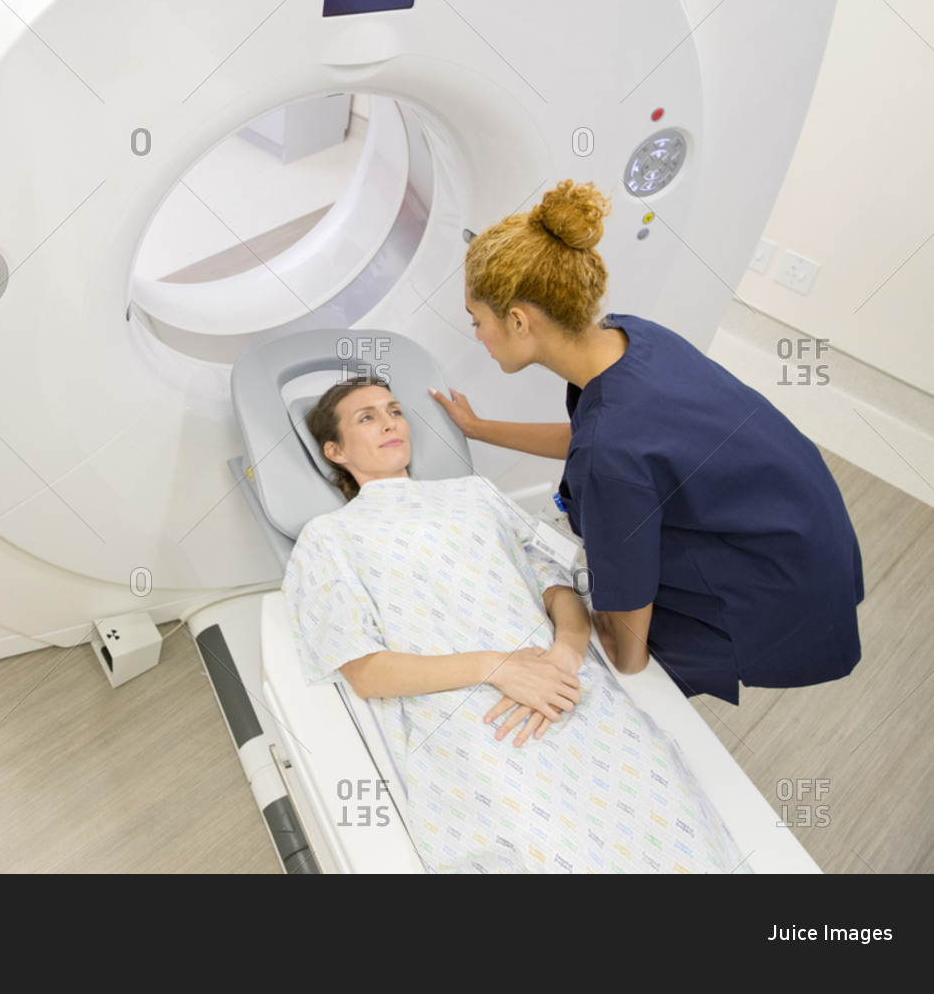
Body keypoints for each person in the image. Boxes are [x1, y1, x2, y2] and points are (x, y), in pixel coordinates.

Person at [282, 376, 745, 872]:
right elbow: (366, 672)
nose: (390, 422)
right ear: (334, 450)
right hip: (470, 712)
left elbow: (554, 583)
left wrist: (568, 649)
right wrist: (498, 667)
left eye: (394, 410)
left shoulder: (475, 494)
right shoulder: (329, 537)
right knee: (543, 842)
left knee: (664, 803)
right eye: (367, 417)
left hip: (563, 683)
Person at [432, 179, 863, 704]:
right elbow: (603, 438)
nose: (477, 335)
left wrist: (588, 632)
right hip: (808, 521)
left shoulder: (611, 452)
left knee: (620, 672)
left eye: (478, 322)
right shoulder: (630, 337)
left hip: (775, 583)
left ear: (519, 321)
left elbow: (628, 644)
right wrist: (479, 429)